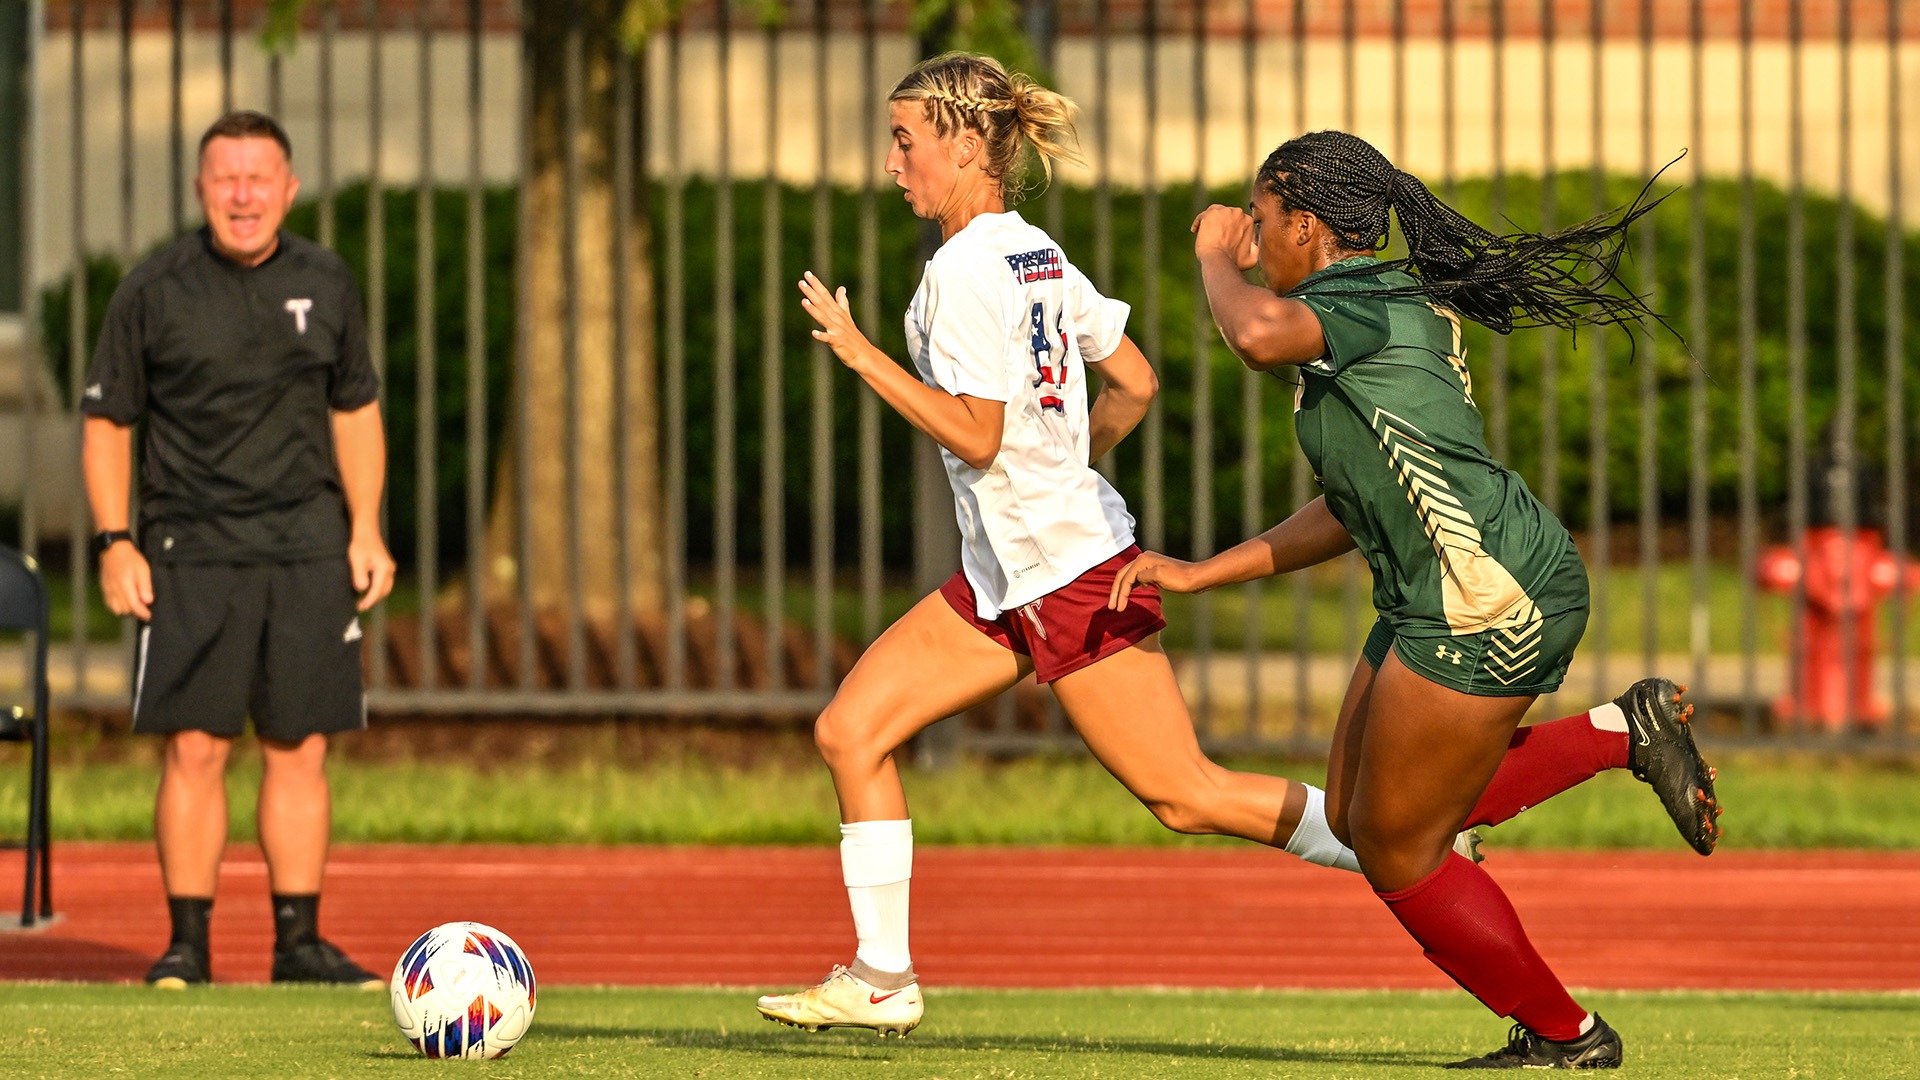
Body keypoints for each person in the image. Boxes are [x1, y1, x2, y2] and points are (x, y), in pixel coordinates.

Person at [1110, 130, 1721, 1069]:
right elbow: (1355, 503)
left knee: (1401, 855)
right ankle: (1622, 730)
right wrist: (1202, 572)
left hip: (1488, 600)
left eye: (1263, 220)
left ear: (1306, 225)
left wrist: (1207, 254)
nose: (1253, 239)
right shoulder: (1370, 296)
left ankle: (1568, 1037)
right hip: (1434, 591)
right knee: (1360, 819)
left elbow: (1254, 334)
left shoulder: (1345, 301)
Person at [81, 110, 397, 990]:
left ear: (290, 189)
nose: (244, 195)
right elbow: (108, 420)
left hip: (306, 548)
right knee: (196, 748)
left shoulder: (327, 281)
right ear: (201, 190)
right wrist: (115, 541)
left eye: (261, 177)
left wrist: (365, 527)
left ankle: (299, 945)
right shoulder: (154, 289)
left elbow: (357, 409)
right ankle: (186, 945)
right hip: (188, 548)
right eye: (227, 178)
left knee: (300, 748)